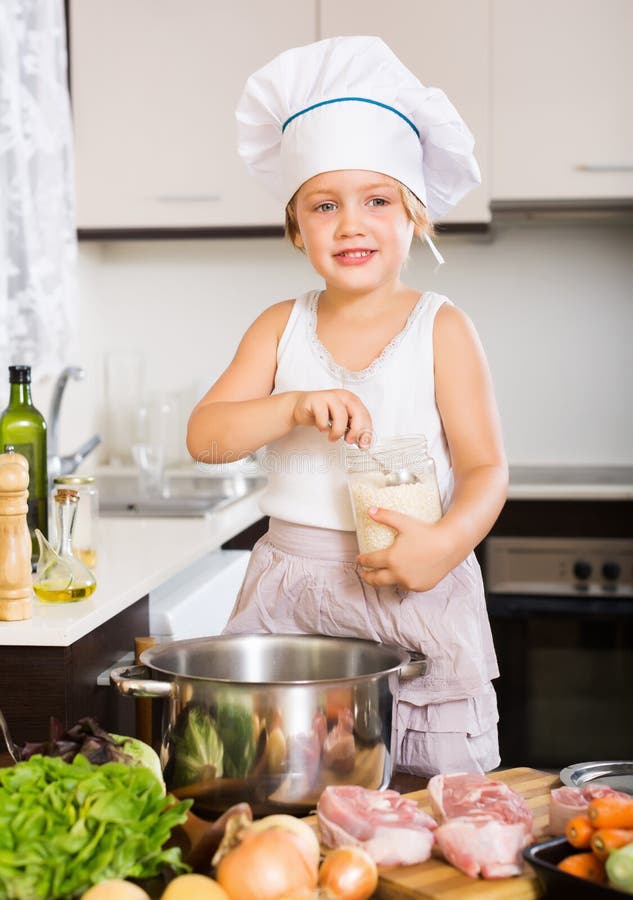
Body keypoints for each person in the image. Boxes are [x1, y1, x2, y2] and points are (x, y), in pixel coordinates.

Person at [187, 36, 508, 776]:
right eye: (324, 206)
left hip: (411, 583)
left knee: (432, 794)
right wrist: (291, 404)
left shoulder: (442, 327)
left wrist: (445, 544)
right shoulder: (278, 326)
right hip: (288, 594)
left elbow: (487, 467)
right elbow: (206, 436)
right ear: (297, 228)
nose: (350, 223)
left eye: (377, 201)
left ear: (414, 218)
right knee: (282, 785)